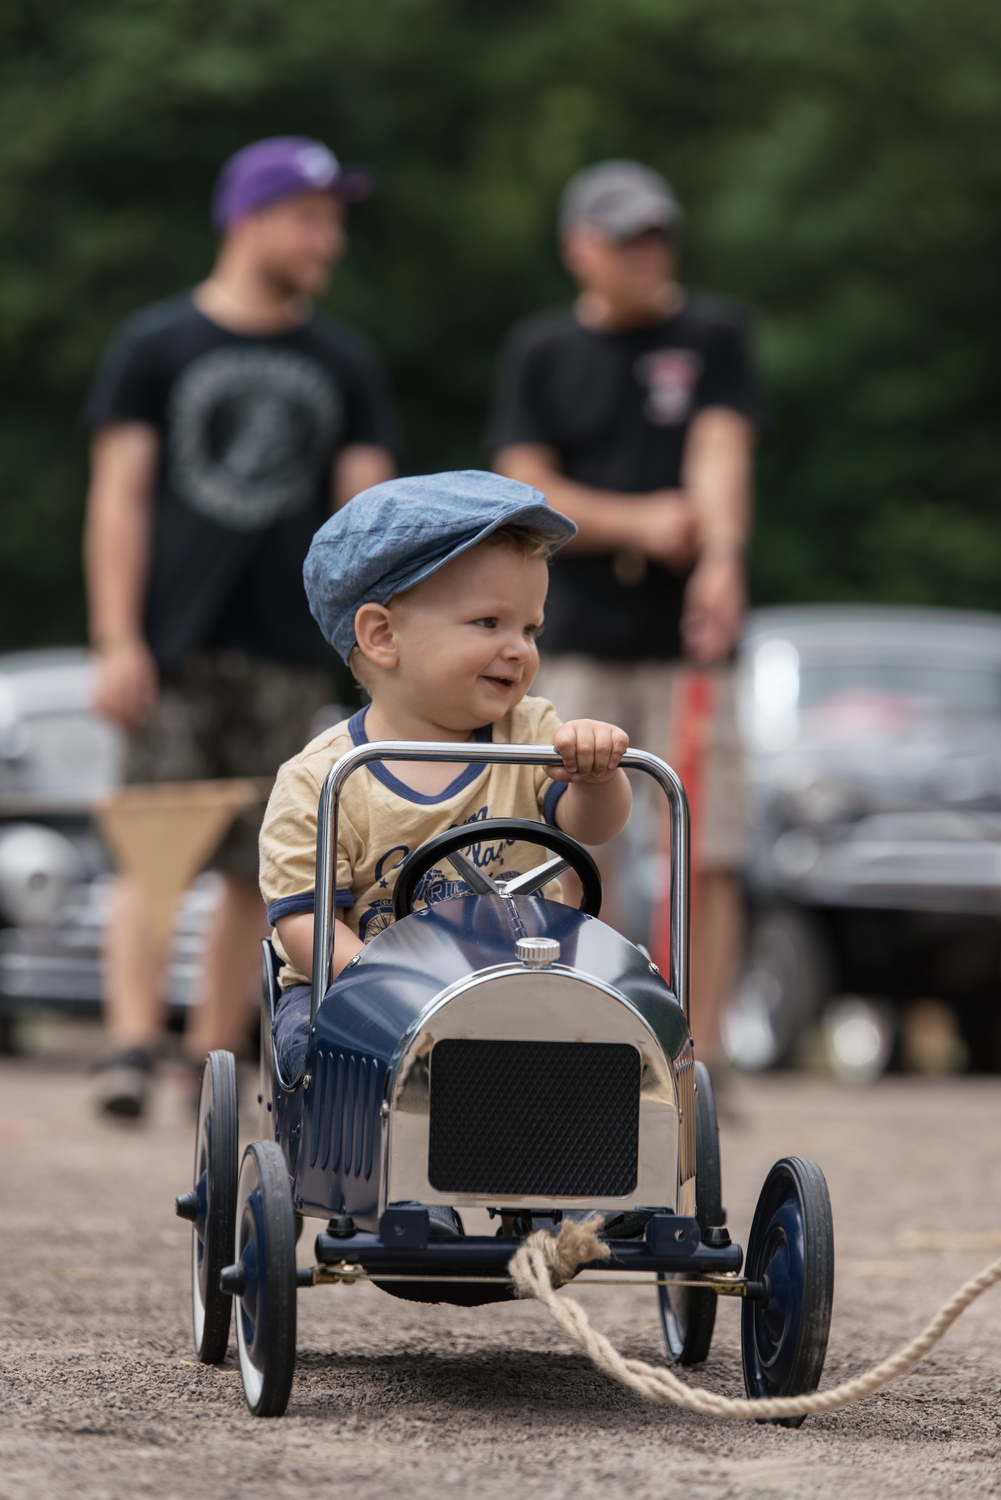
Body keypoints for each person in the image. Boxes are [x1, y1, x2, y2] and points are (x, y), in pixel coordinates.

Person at [83, 136, 400, 1117]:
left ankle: (205, 1063)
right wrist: (115, 636)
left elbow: (366, 509)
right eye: (310, 219)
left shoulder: (341, 359)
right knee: (155, 846)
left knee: (249, 869)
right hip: (172, 644)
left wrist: (370, 639)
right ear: (249, 219)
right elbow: (120, 496)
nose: (327, 241)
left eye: (334, 223)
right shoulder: (157, 343)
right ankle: (130, 1049)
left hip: (282, 647)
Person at [489, 159, 765, 1066]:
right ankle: (567, 1027)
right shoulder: (541, 350)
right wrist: (638, 519)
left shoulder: (713, 333)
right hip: (575, 636)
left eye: (656, 236)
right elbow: (525, 485)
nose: (646, 254)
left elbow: (721, 450)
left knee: (706, 843)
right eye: (624, 239)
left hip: (692, 640)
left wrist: (719, 557)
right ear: (579, 249)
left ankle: (702, 1048)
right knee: (560, 832)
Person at [259, 469, 631, 1087]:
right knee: (320, 1054)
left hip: (521, 978)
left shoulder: (533, 735)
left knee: (617, 1036)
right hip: (363, 989)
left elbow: (594, 827)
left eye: (530, 628)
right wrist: (399, 991)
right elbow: (304, 925)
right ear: (382, 636)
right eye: (489, 623)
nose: (519, 649)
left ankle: (592, 1164)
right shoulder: (322, 780)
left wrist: (594, 774)